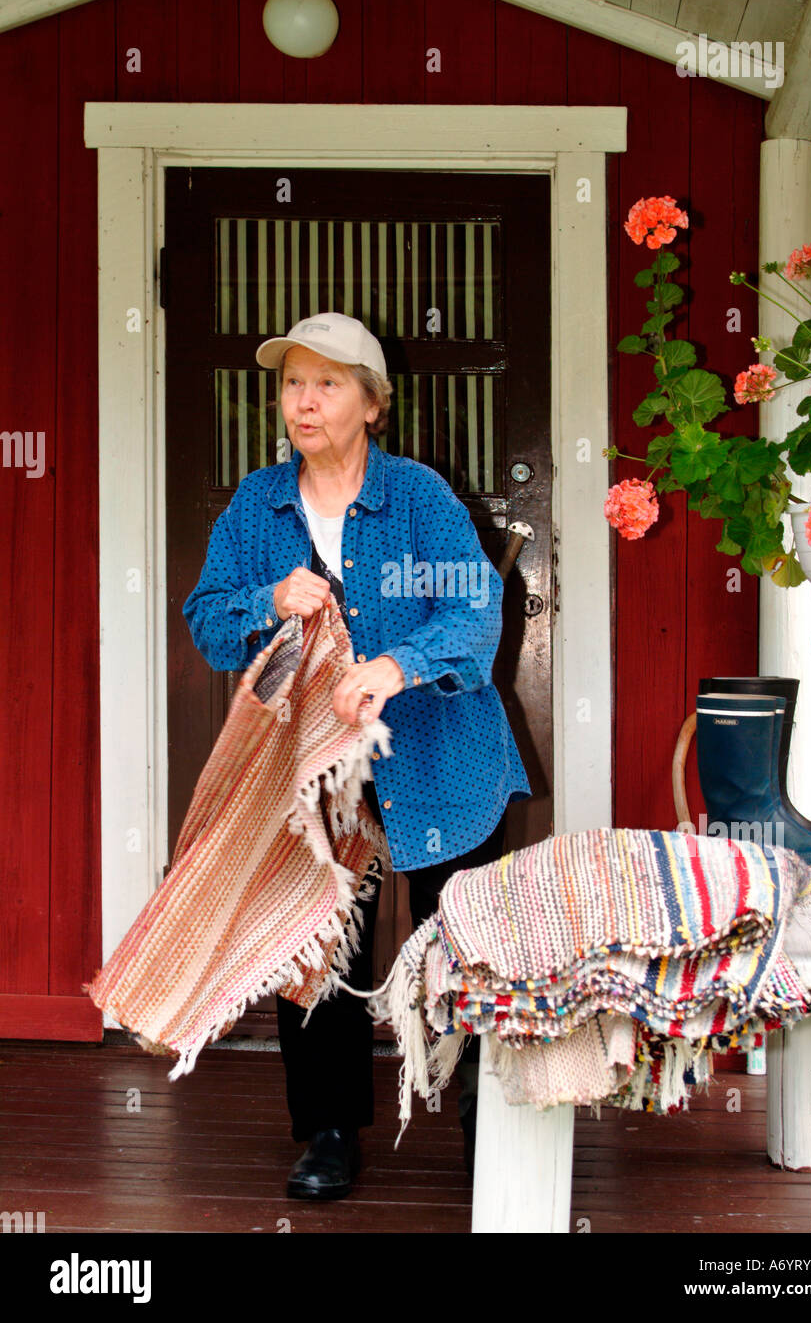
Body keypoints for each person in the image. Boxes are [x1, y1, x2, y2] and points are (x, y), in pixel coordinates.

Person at [182, 312, 530, 1200]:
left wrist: (393, 665)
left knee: (462, 946)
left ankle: (485, 1125)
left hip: (440, 754)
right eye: (293, 381)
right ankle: (329, 1132)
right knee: (323, 952)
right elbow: (209, 623)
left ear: (372, 405)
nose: (304, 399)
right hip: (319, 769)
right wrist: (266, 597)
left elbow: (473, 611)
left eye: (328, 383)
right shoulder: (256, 507)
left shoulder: (418, 498)